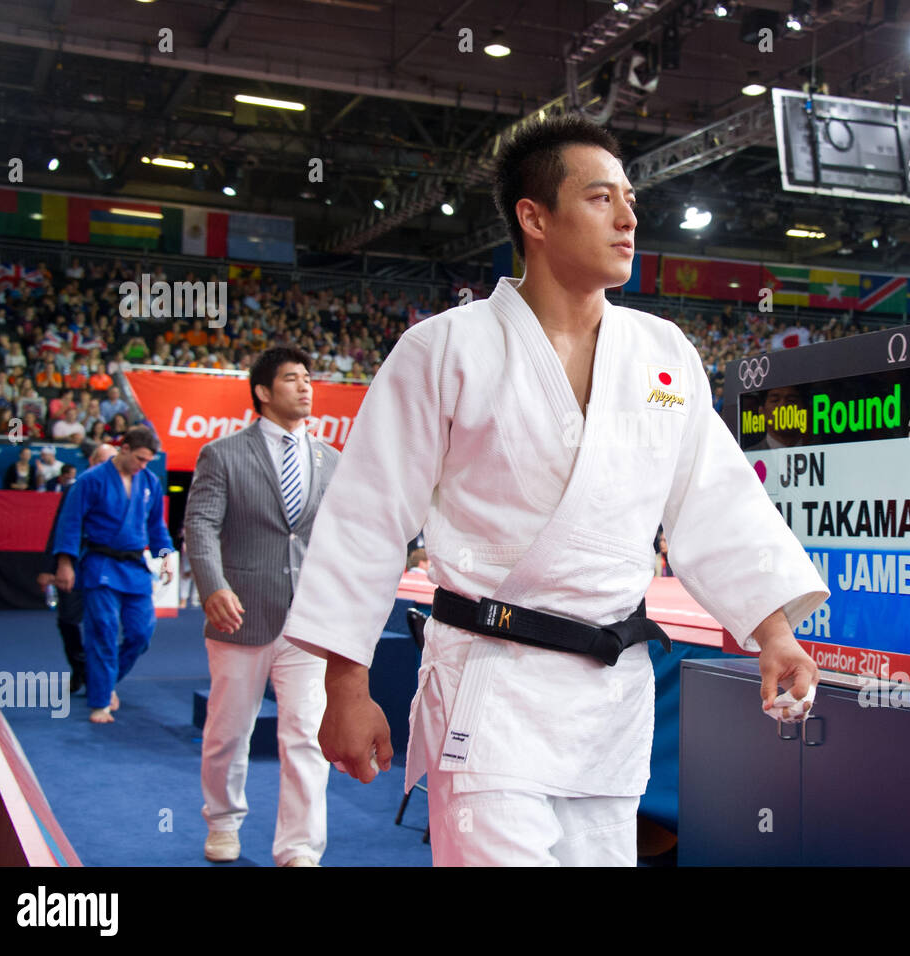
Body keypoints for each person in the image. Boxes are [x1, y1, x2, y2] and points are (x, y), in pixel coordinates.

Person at [280, 116, 828, 866]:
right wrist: (346, 684)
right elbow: (367, 518)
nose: (629, 218)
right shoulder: (446, 348)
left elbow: (716, 498)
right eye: (602, 198)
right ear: (533, 218)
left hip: (610, 700)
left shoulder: (663, 352)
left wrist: (773, 632)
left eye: (631, 199)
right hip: (490, 686)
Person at [184, 347, 341, 867]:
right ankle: (223, 824)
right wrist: (212, 585)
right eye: (292, 379)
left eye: (307, 378)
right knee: (228, 733)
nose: (305, 387)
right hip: (239, 616)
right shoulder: (222, 454)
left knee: (305, 737)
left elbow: (341, 534)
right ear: (262, 392)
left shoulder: (332, 460)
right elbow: (201, 526)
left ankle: (299, 848)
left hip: (308, 622)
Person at [52, 426, 174, 723]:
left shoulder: (149, 482)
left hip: (134, 567)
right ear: (124, 448)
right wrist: (65, 563)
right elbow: (70, 524)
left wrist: (165, 557)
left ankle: (104, 684)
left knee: (141, 633)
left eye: (148, 461)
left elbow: (156, 526)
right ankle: (100, 703)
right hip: (100, 564)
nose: (143, 465)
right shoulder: (90, 480)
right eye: (140, 458)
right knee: (103, 631)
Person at [39, 444, 118, 694]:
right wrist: (51, 567)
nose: (109, 467)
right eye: (104, 461)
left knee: (104, 623)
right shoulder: (76, 488)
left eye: (113, 462)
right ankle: (80, 667)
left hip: (106, 568)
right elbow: (60, 529)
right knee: (68, 621)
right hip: (73, 565)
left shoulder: (123, 491)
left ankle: (99, 676)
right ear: (92, 461)